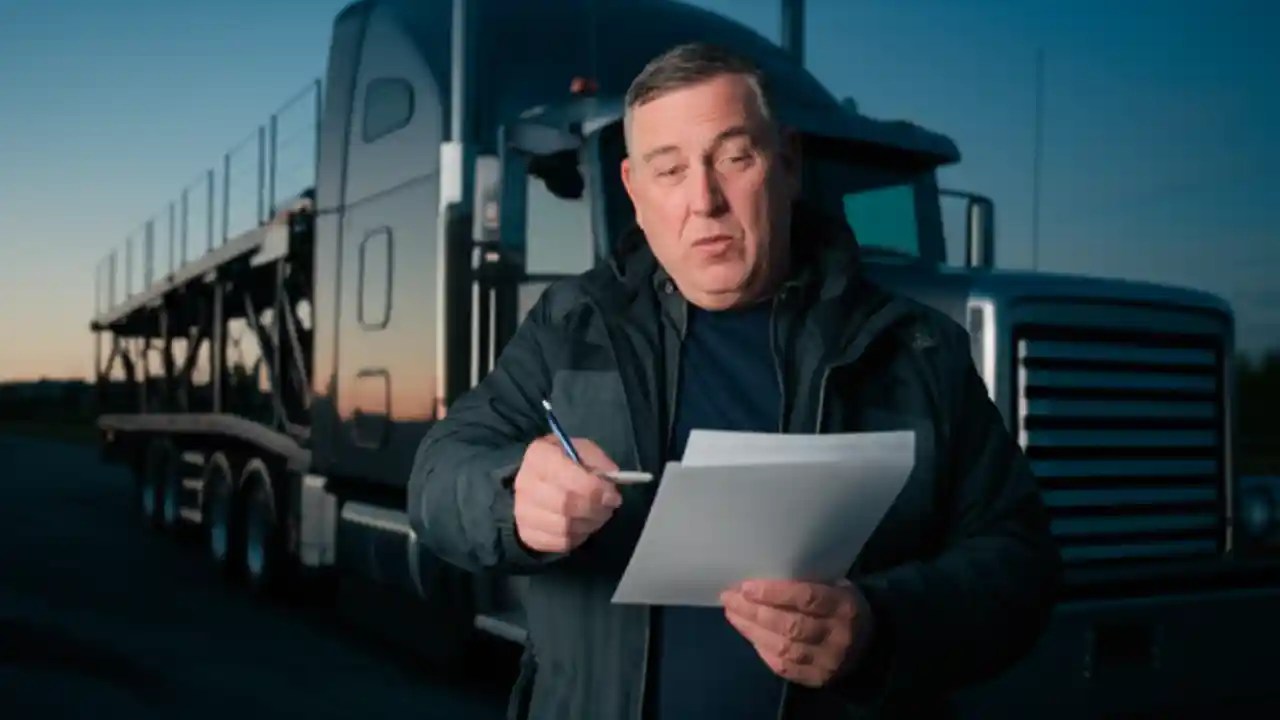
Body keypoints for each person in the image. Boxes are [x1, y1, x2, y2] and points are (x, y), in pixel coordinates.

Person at [408, 42, 1061, 720]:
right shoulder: (572, 325)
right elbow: (437, 477)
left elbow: (1021, 564)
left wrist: (880, 627)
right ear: (634, 192)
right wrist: (511, 495)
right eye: (670, 170)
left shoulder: (916, 349)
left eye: (733, 158)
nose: (704, 200)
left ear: (788, 162)